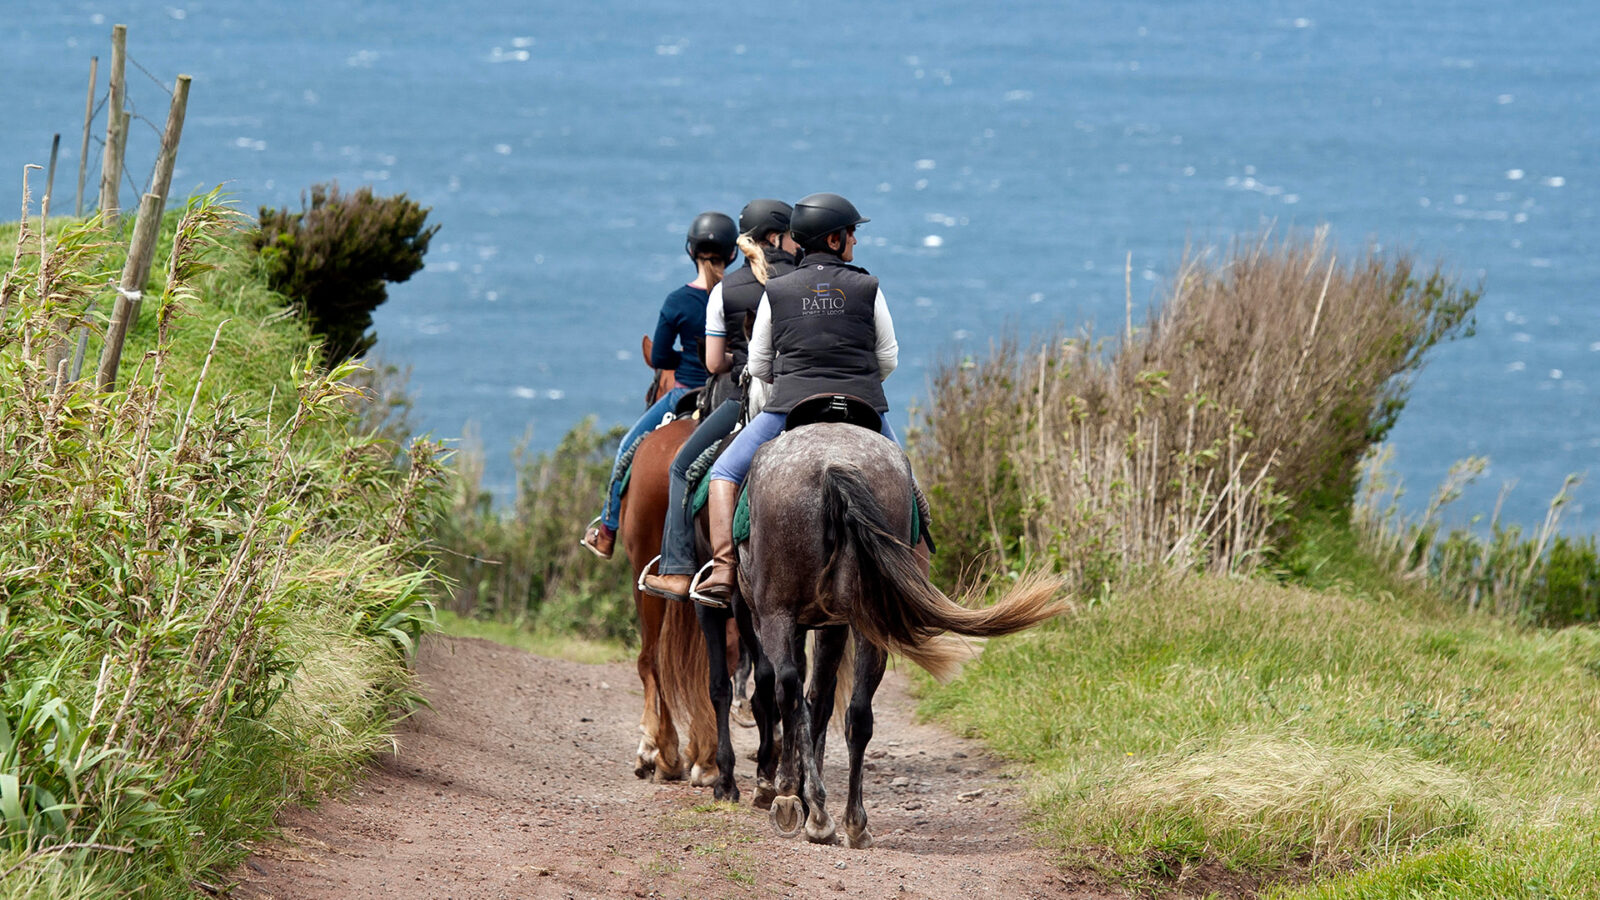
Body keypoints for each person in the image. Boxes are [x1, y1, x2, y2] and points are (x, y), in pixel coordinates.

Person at [690, 192, 901, 606]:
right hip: (862, 405)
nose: (855, 241)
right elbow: (888, 358)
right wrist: (857, 379)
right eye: (852, 234)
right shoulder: (868, 286)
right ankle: (911, 571)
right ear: (836, 241)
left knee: (723, 472)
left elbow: (763, 364)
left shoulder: (779, 290)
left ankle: (723, 568)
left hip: (791, 406)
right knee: (905, 479)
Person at [642, 199, 799, 601]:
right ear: (777, 238)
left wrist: (736, 358)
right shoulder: (805, 280)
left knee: (680, 468)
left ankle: (681, 569)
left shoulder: (726, 291)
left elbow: (715, 364)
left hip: (744, 398)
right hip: (807, 394)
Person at [581, 211, 738, 559]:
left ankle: (606, 532)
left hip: (686, 393)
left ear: (691, 251)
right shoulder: (741, 295)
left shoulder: (677, 302)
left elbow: (662, 358)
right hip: (733, 397)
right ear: (732, 254)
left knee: (626, 448)